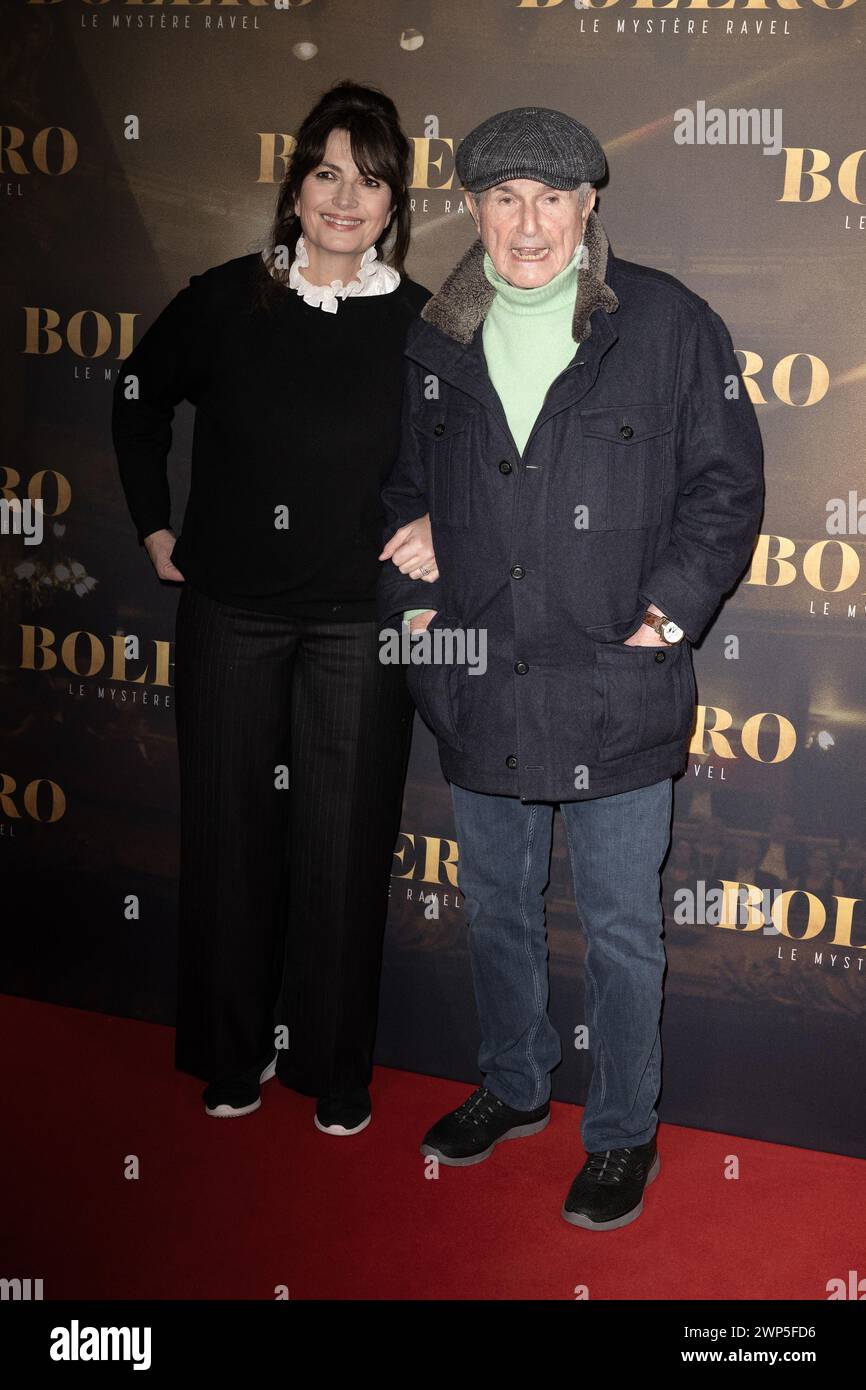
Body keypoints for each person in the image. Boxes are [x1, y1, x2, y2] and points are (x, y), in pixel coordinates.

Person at [377, 106, 764, 1227]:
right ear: (472, 210)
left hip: (613, 682)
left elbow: (724, 485)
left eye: (551, 196)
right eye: (502, 197)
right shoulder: (434, 339)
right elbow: (404, 496)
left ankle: (619, 1130)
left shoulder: (667, 324)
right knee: (495, 906)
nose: (528, 222)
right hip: (477, 679)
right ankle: (510, 1084)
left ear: (590, 205)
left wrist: (672, 612)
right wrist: (418, 624)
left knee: (619, 926)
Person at [112, 81, 437, 1135]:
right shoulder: (222, 297)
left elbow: (472, 457)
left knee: (345, 852)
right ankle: (229, 1052)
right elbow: (136, 396)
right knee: (228, 837)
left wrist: (440, 530)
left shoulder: (423, 323)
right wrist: (154, 525)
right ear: (296, 186)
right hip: (232, 613)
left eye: (372, 179)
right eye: (328, 172)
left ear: (394, 204)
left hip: (358, 624)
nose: (347, 197)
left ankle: (333, 1072)